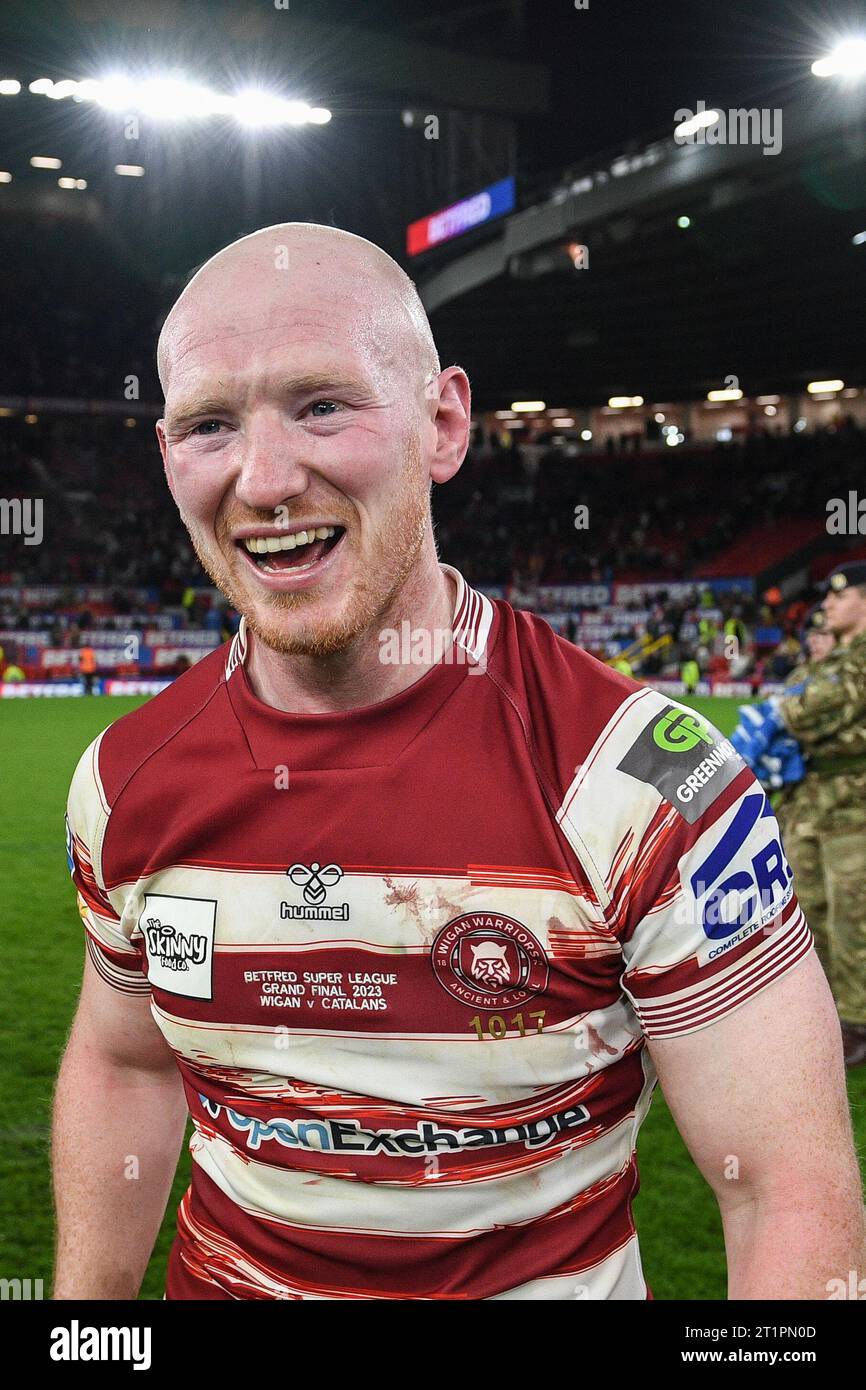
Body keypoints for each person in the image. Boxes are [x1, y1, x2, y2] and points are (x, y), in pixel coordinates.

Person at [52, 223, 864, 1302]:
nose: (264, 479)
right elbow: (127, 1062)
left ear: (442, 423)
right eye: (209, 423)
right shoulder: (124, 780)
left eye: (321, 405)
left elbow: (783, 1191)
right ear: (166, 455)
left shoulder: (650, 786)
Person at [776, 565, 866, 1066]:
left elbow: (806, 709)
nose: (828, 606)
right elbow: (801, 706)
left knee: (854, 913)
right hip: (816, 799)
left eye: (840, 597)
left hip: (855, 802)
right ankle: (829, 1008)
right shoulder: (837, 657)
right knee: (811, 905)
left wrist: (794, 716)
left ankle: (857, 1022)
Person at [775, 607, 836, 981]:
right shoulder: (800, 678)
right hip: (800, 810)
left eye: (824, 635)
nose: (816, 641)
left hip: (846, 808)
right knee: (805, 901)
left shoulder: (848, 680)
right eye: (812, 636)